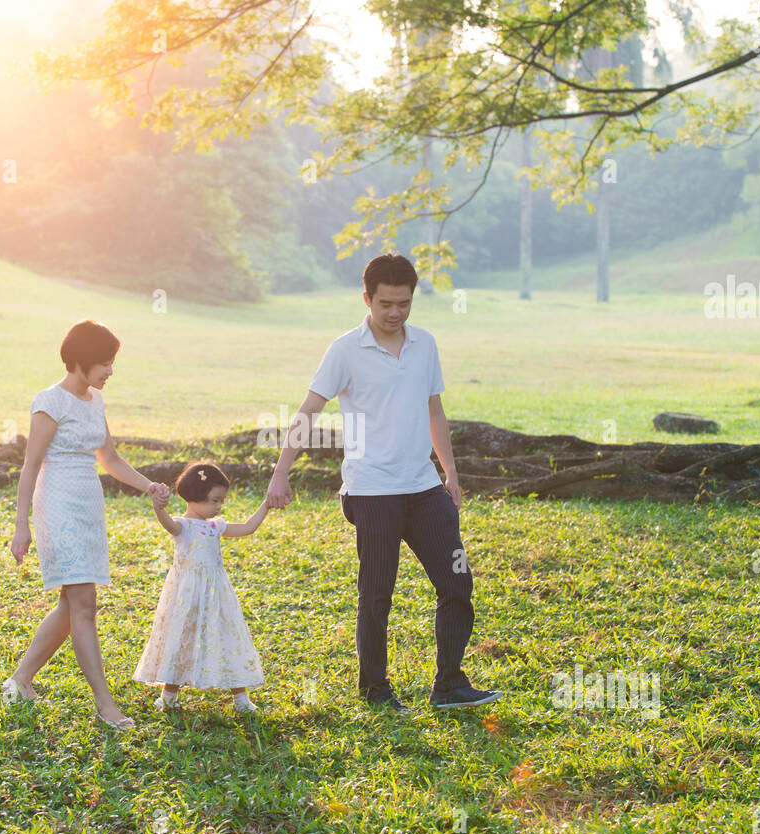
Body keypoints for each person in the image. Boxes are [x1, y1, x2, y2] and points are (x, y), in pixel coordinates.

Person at [265, 253, 501, 712]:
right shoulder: (344, 350)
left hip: (423, 487)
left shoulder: (425, 344)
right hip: (372, 492)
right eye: (387, 303)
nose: (396, 313)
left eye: (405, 304)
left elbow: (434, 409)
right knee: (377, 593)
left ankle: (449, 683)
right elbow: (308, 411)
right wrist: (280, 471)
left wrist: (449, 472)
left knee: (457, 582)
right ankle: (375, 688)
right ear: (367, 299)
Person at [6, 319, 171, 731]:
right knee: (84, 604)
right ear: (80, 360)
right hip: (57, 504)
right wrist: (20, 524)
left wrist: (148, 485)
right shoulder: (49, 402)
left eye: (112, 363)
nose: (110, 371)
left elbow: (109, 459)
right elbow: (29, 466)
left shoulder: (94, 400)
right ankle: (104, 703)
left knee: (72, 602)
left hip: (88, 505)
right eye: (105, 363)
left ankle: (20, 680)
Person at [133, 463, 269, 714]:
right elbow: (167, 523)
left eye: (221, 501)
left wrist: (266, 505)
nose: (218, 506)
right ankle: (169, 695)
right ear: (194, 496)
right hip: (186, 596)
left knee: (227, 637)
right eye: (214, 500)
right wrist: (158, 507)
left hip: (216, 595)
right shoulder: (182, 526)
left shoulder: (216, 526)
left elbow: (248, 528)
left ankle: (241, 699)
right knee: (181, 639)